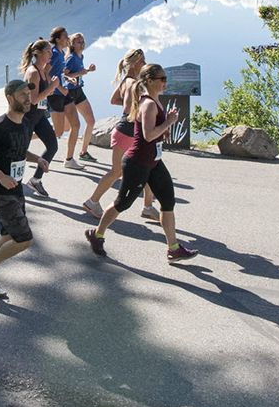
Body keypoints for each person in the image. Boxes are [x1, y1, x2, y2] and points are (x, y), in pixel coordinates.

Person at [84, 64, 198, 264]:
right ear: (150, 81)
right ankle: (97, 235)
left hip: (154, 161)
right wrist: (169, 122)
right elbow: (148, 135)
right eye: (162, 79)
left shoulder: (156, 101)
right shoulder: (148, 104)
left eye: (165, 78)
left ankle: (174, 248)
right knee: (123, 203)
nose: (165, 82)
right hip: (137, 162)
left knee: (168, 201)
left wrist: (165, 128)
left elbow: (156, 133)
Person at [0, 79, 49, 299]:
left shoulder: (25, 124)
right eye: (22, 94)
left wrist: (37, 159)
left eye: (29, 93)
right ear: (9, 98)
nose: (28, 98)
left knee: (7, 235)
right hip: (0, 191)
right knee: (23, 239)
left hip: (15, 190)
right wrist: (1, 176)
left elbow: (19, 150)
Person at [83, 48, 160, 222]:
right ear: (133, 63)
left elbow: (115, 100)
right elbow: (137, 107)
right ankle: (93, 201)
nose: (145, 63)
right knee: (143, 168)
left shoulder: (126, 81)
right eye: (142, 61)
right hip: (131, 132)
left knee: (129, 170)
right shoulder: (137, 84)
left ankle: (146, 206)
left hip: (123, 129)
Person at [20, 39, 60, 197]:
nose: (51, 54)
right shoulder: (33, 72)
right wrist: (52, 87)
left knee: (52, 146)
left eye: (51, 51)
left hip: (39, 116)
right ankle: (6, 179)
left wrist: (51, 84)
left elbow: (45, 95)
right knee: (19, 152)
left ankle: (36, 179)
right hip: (28, 117)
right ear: (38, 53)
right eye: (48, 51)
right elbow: (34, 99)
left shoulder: (43, 70)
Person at [62, 32, 96, 169]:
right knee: (62, 129)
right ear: (71, 44)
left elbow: (79, 72)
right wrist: (80, 73)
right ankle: (31, 138)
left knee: (91, 121)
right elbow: (64, 75)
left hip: (78, 92)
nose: (82, 44)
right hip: (69, 93)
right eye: (78, 42)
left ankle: (83, 152)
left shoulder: (80, 56)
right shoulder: (70, 57)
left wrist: (87, 70)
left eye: (82, 41)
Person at [46, 26, 73, 144]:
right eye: (65, 36)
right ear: (57, 39)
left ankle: (45, 129)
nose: (68, 38)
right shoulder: (55, 54)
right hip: (55, 95)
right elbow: (45, 72)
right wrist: (58, 87)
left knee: (66, 127)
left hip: (62, 93)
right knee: (59, 132)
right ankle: (28, 137)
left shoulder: (61, 53)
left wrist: (67, 79)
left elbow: (57, 73)